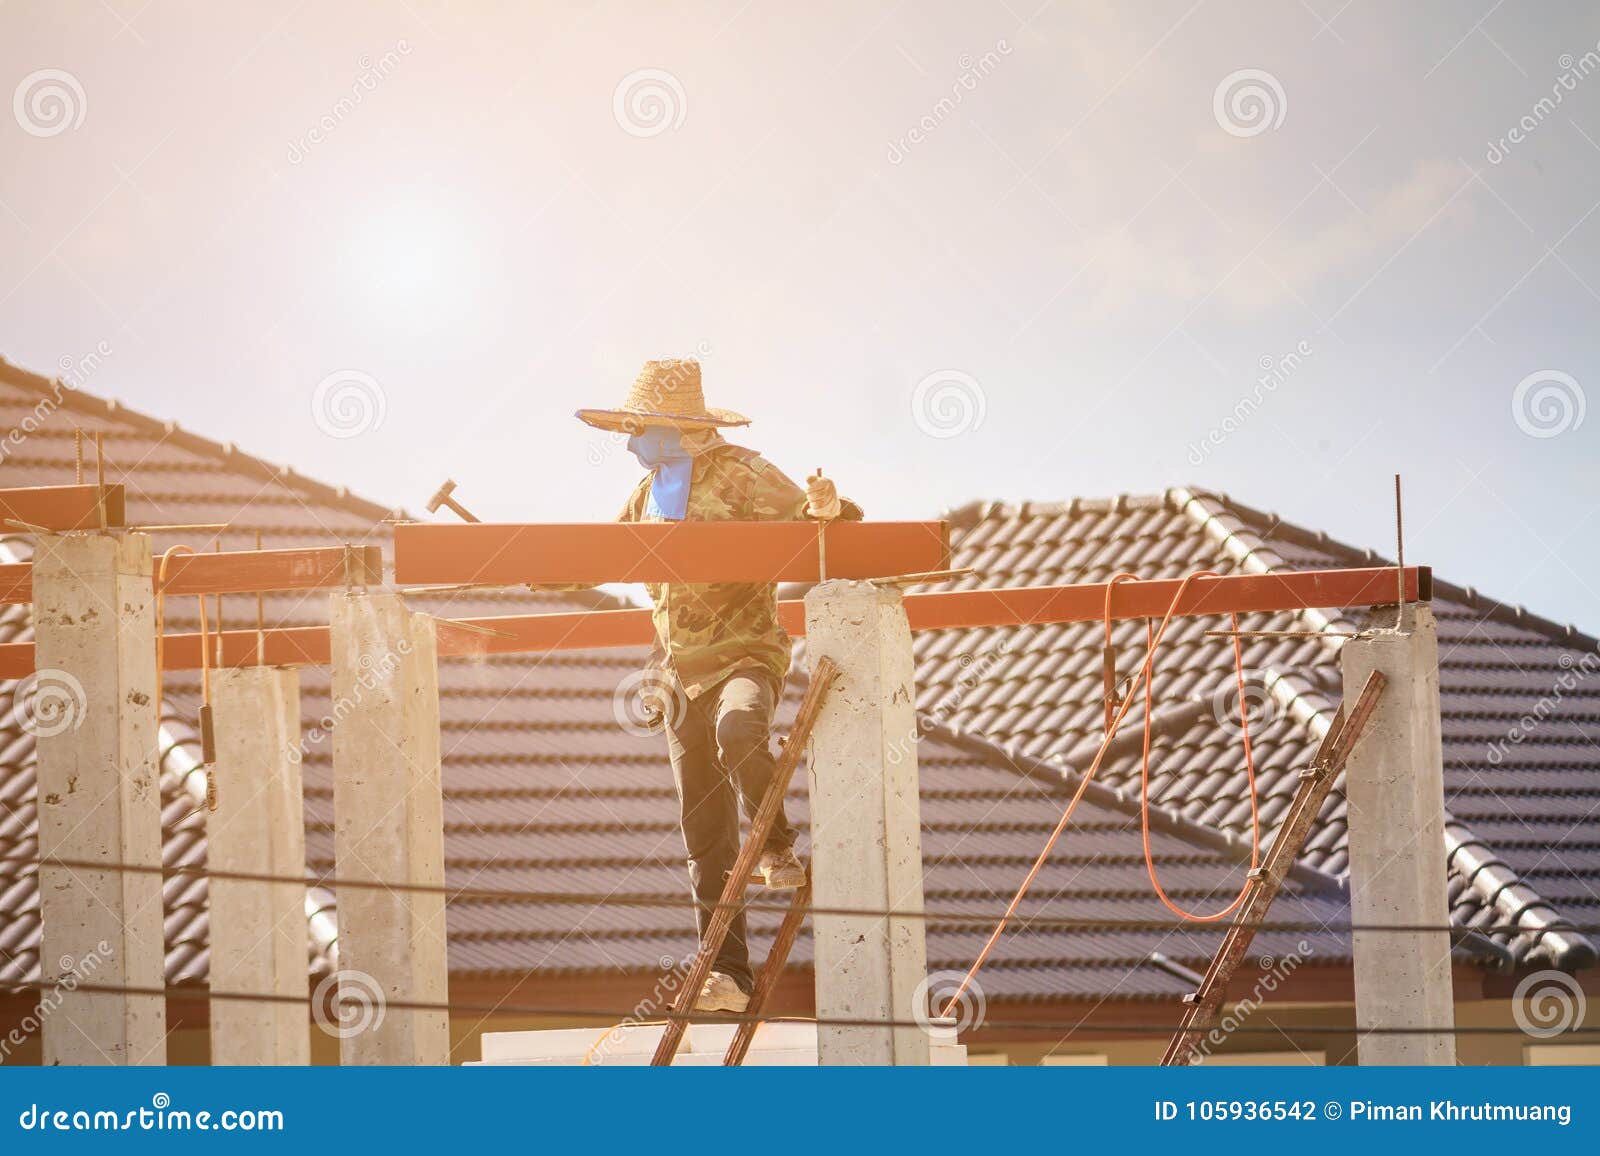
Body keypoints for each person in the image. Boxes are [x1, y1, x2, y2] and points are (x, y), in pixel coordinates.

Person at [575, 358, 860, 1013]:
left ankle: (780, 845)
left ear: (677, 426)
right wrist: (535, 574)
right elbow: (597, 555)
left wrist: (829, 509)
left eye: (639, 427)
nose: (630, 442)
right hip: (677, 676)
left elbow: (824, 528)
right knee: (705, 836)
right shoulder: (646, 496)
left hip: (743, 656)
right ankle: (728, 974)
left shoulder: (744, 475)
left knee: (741, 729)